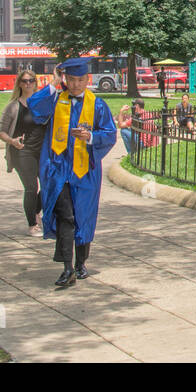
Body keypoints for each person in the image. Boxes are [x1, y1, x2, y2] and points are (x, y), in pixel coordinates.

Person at [26, 57, 118, 288]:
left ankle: (81, 262)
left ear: (88, 79)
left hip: (84, 170)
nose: (76, 85)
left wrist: (91, 138)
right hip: (58, 169)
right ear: (65, 79)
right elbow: (34, 107)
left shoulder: (97, 105)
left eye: (80, 80)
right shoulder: (56, 100)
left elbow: (109, 134)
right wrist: (53, 83)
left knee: (82, 216)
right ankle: (68, 267)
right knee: (65, 215)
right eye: (71, 79)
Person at [0, 70, 45, 236]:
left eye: (31, 81)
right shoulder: (13, 106)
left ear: (35, 83)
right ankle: (32, 224)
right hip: (22, 151)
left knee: (49, 184)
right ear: (19, 83)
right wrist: (12, 141)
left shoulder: (41, 104)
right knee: (31, 187)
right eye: (24, 81)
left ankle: (35, 210)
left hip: (42, 151)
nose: (28, 84)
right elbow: (1, 132)